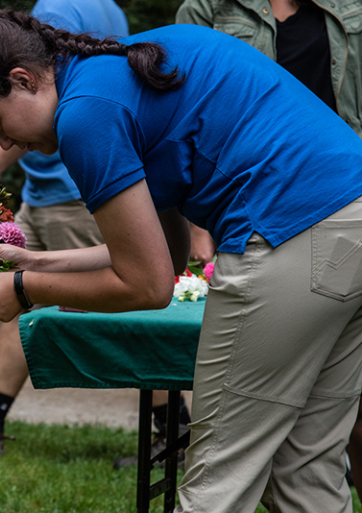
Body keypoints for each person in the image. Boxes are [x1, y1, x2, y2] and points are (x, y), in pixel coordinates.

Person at [0, 10, 362, 513]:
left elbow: (148, 286)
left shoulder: (85, 115)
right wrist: (34, 262)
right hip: (349, 222)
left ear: (22, 79)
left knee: (216, 481)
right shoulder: (127, 69)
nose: (4, 145)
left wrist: (24, 290)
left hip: (288, 229)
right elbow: (164, 256)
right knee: (303, 470)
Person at [0, 0, 131, 454]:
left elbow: (32, 98)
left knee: (116, 312)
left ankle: (174, 428)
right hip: (44, 192)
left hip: (76, 190)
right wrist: (26, 277)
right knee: (14, 296)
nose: (2, 142)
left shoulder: (56, 9)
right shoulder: (109, 8)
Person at [174, 0, 362, 488]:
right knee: (273, 443)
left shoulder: (349, 7)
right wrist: (199, 229)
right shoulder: (209, 7)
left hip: (344, 197)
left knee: (329, 433)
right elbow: (179, 108)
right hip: (262, 211)